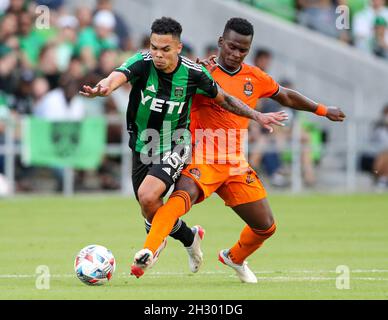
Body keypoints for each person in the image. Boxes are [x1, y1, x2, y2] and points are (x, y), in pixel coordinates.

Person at [136, 17, 346, 282]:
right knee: (179, 200)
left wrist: (323, 110)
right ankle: (149, 250)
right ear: (221, 42)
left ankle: (234, 257)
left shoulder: (254, 77)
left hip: (235, 164)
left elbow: (285, 95)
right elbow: (169, 81)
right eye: (231, 47)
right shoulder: (200, 72)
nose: (235, 54)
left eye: (242, 49)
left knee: (265, 226)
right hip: (202, 156)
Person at [79, 17, 287, 276]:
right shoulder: (142, 62)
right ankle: (189, 237)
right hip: (143, 145)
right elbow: (117, 77)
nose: (158, 54)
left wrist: (257, 116)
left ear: (178, 48)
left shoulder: (194, 73)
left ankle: (154, 245)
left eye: (165, 49)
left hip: (176, 144)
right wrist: (104, 88)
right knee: (149, 206)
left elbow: (226, 100)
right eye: (154, 47)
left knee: (148, 195)